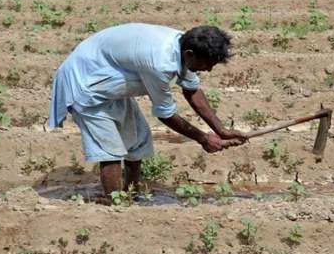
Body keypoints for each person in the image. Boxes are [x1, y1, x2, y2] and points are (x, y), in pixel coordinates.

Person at [48, 23, 247, 196]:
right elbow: (165, 114)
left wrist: (221, 130)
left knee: (138, 142)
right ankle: (114, 204)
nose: (209, 70)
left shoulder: (184, 44)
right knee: (110, 150)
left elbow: (192, 90)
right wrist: (203, 138)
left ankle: (130, 194)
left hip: (110, 82)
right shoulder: (160, 62)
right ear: (190, 55)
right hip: (86, 83)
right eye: (207, 64)